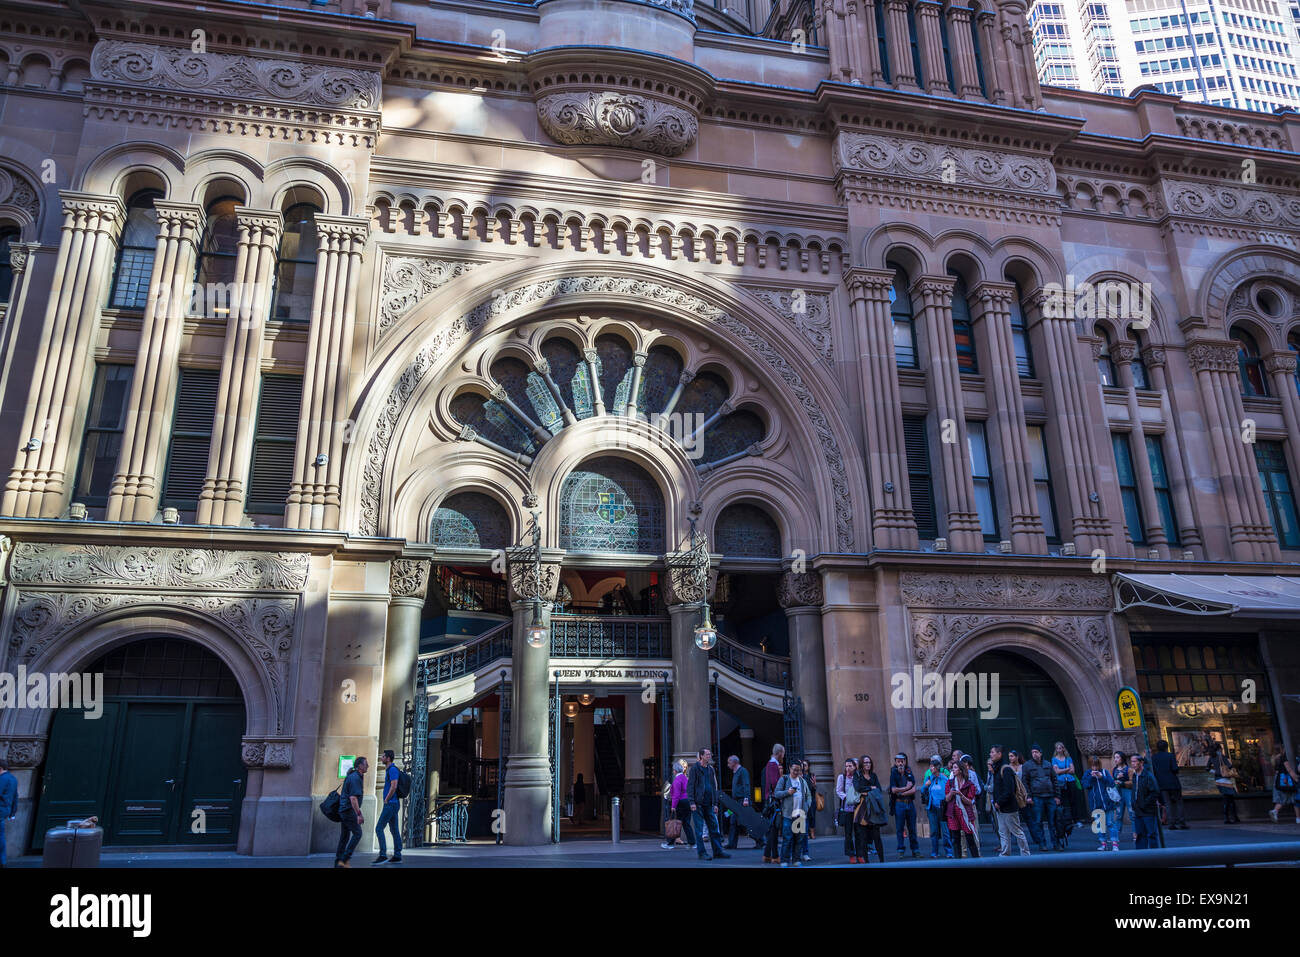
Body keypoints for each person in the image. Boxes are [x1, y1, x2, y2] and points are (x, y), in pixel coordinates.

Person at [688, 748, 731, 860]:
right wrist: (692, 802)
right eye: (707, 754)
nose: (709, 756)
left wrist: (715, 803)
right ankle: (702, 853)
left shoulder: (710, 769)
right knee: (699, 830)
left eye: (709, 754)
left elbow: (713, 787)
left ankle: (718, 851)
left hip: (709, 804)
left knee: (714, 828)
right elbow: (691, 786)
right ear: (701, 756)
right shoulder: (694, 769)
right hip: (698, 804)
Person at [988, 745, 1031, 857]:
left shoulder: (1005, 769)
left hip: (1009, 807)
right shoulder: (997, 769)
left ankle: (1026, 854)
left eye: (992, 752)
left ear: (999, 754)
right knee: (1003, 832)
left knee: (1016, 831)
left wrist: (998, 802)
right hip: (1001, 808)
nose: (990, 754)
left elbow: (1009, 790)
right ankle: (1005, 854)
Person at [774, 757, 813, 867]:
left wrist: (807, 806)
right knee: (787, 838)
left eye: (798, 770)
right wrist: (788, 792)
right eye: (794, 769)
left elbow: (807, 795)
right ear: (789, 768)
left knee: (799, 838)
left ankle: (796, 860)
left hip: (800, 814)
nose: (796, 772)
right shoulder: (784, 779)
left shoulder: (802, 780)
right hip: (788, 815)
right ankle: (784, 860)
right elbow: (776, 793)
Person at [1021, 744, 1061, 851]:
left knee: (1053, 821)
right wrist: (1028, 796)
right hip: (1036, 797)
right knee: (1038, 821)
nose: (1034, 754)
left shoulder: (1048, 764)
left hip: (1050, 797)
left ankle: (1056, 843)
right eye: (1033, 752)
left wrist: (1057, 796)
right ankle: (1042, 843)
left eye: (1036, 752)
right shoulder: (1027, 766)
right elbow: (1024, 782)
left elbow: (1055, 780)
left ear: (1040, 753)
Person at [852, 755, 886, 864]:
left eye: (869, 762)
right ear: (861, 764)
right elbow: (858, 788)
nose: (868, 764)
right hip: (862, 807)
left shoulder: (874, 775)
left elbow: (879, 789)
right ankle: (866, 862)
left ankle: (882, 861)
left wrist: (866, 791)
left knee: (877, 836)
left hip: (873, 806)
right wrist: (871, 788)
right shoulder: (857, 775)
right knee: (863, 837)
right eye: (865, 762)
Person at [335, 755, 368, 868]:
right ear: (359, 766)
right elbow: (353, 798)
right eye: (365, 764)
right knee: (358, 834)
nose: (367, 766)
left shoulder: (355, 776)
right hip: (348, 811)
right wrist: (359, 814)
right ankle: (344, 859)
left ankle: (339, 861)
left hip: (344, 810)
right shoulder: (355, 778)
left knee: (345, 836)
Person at [1083, 756, 1120, 851]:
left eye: (1096, 765)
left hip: (1107, 803)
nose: (1094, 768)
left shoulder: (1104, 772)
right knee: (1099, 825)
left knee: (1110, 823)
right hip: (1096, 804)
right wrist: (1092, 777)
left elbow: (1112, 783)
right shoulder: (1087, 774)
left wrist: (1101, 777)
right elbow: (1085, 785)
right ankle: (1103, 843)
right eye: (1092, 766)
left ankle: (1115, 844)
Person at [944, 761, 980, 858]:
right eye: (953, 768)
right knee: (956, 839)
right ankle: (958, 861)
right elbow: (947, 799)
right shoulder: (950, 782)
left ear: (960, 770)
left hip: (965, 813)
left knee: (969, 838)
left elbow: (970, 801)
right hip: (953, 813)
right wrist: (951, 793)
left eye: (955, 768)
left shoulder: (969, 784)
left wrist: (961, 795)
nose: (953, 770)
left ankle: (976, 860)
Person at [373, 749, 403, 865]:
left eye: (383, 756)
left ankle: (382, 854)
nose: (381, 758)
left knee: (379, 828)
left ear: (388, 758)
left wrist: (386, 799)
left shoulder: (393, 770)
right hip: (393, 804)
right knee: (394, 829)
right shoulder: (390, 769)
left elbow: (394, 786)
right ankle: (397, 855)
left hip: (390, 804)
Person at [920, 755, 953, 859]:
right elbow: (922, 790)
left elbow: (949, 790)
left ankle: (949, 852)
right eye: (930, 766)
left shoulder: (944, 778)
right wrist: (926, 785)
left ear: (938, 767)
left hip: (942, 808)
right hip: (932, 808)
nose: (930, 768)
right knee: (934, 831)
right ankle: (934, 852)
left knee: (945, 831)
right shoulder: (930, 779)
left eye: (932, 766)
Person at [888, 753, 920, 859]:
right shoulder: (893, 773)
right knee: (900, 828)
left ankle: (915, 850)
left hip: (909, 803)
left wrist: (902, 792)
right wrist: (906, 788)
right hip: (899, 804)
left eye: (902, 761)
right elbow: (893, 790)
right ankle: (901, 850)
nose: (901, 763)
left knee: (912, 828)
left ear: (905, 761)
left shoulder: (909, 771)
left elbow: (914, 788)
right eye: (898, 761)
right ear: (895, 762)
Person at [725, 754, 760, 849]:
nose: (728, 764)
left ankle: (760, 840)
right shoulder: (736, 772)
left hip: (742, 801)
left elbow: (746, 785)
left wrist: (746, 798)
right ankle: (732, 843)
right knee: (733, 822)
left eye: (729, 762)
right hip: (736, 802)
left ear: (734, 762)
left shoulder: (742, 771)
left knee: (747, 823)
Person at [1150, 740, 1187, 829]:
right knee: (1179, 802)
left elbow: (1153, 771)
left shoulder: (1154, 758)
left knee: (1167, 803)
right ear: (1166, 747)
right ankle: (1181, 822)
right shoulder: (1170, 756)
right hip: (1173, 782)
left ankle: (1171, 823)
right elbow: (1175, 769)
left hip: (1162, 783)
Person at [1131, 753, 1163, 849]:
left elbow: (1155, 792)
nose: (1132, 764)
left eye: (1134, 761)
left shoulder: (1148, 776)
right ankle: (1141, 855)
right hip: (1138, 810)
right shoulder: (1134, 775)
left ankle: (1154, 856)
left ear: (1141, 763)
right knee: (1140, 834)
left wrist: (1144, 803)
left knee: (1151, 834)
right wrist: (1134, 803)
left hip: (1148, 810)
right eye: (1131, 761)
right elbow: (1135, 791)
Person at [1206, 741, 1239, 825]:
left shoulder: (1211, 757)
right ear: (1219, 749)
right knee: (1230, 799)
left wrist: (1216, 772)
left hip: (1218, 779)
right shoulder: (1222, 756)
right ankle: (1232, 817)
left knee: (1226, 798)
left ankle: (1228, 817)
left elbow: (1207, 768)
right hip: (1225, 779)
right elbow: (1230, 766)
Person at [1052, 741, 1083, 830]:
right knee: (1063, 801)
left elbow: (1073, 771)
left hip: (1070, 781)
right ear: (1056, 749)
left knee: (1073, 800)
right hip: (1060, 782)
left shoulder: (1068, 758)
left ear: (1063, 748)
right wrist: (1067, 769)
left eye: (1061, 748)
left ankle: (1076, 820)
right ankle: (1066, 820)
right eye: (1057, 748)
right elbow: (1056, 772)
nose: (1059, 750)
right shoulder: (1054, 759)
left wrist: (1062, 770)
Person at [763, 744, 785, 863]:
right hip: (774, 800)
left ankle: (767, 855)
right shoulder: (772, 764)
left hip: (772, 799)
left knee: (773, 828)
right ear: (780, 753)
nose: (783, 756)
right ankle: (775, 856)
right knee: (774, 828)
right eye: (783, 753)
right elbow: (774, 783)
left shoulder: (772, 764)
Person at [835, 757, 860, 862]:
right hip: (847, 809)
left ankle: (860, 854)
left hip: (857, 808)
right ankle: (851, 855)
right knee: (848, 833)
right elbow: (839, 791)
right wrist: (848, 797)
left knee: (859, 832)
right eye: (846, 766)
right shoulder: (842, 777)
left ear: (855, 767)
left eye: (850, 766)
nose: (848, 768)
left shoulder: (858, 777)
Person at [1269, 745, 1299, 824]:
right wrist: (1296, 778)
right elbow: (1289, 769)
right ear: (1282, 750)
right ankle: (1275, 811)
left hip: (1278, 779)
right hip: (1285, 780)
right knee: (1289, 797)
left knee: (1282, 797)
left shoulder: (1273, 758)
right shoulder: (1282, 758)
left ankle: (1275, 812)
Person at [667, 758, 693, 847]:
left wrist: (673, 806)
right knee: (686, 823)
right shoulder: (685, 778)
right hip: (688, 802)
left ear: (675, 770)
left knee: (675, 823)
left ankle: (670, 843)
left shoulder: (677, 779)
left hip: (681, 802)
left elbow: (676, 794)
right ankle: (692, 842)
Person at [1111, 750, 1133, 834]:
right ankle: (1116, 834)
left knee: (1132, 813)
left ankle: (1136, 833)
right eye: (1114, 758)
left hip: (1127, 791)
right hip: (1118, 792)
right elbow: (1113, 780)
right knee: (1118, 814)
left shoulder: (1129, 769)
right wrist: (1115, 781)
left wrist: (1122, 782)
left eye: (1117, 757)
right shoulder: (1114, 770)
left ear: (1122, 758)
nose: (1115, 759)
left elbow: (1132, 782)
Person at [0, 755, 16, 869]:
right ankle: (2, 860)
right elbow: (16, 796)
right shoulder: (13, 779)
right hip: (6, 810)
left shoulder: (2, 779)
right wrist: (12, 813)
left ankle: (2, 860)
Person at [801, 758, 818, 851]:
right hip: (803, 800)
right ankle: (806, 833)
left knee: (812, 816)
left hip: (811, 798)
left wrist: (815, 785)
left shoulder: (811, 775)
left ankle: (812, 833)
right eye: (802, 765)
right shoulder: (800, 775)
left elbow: (814, 788)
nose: (804, 767)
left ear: (808, 766)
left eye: (805, 765)